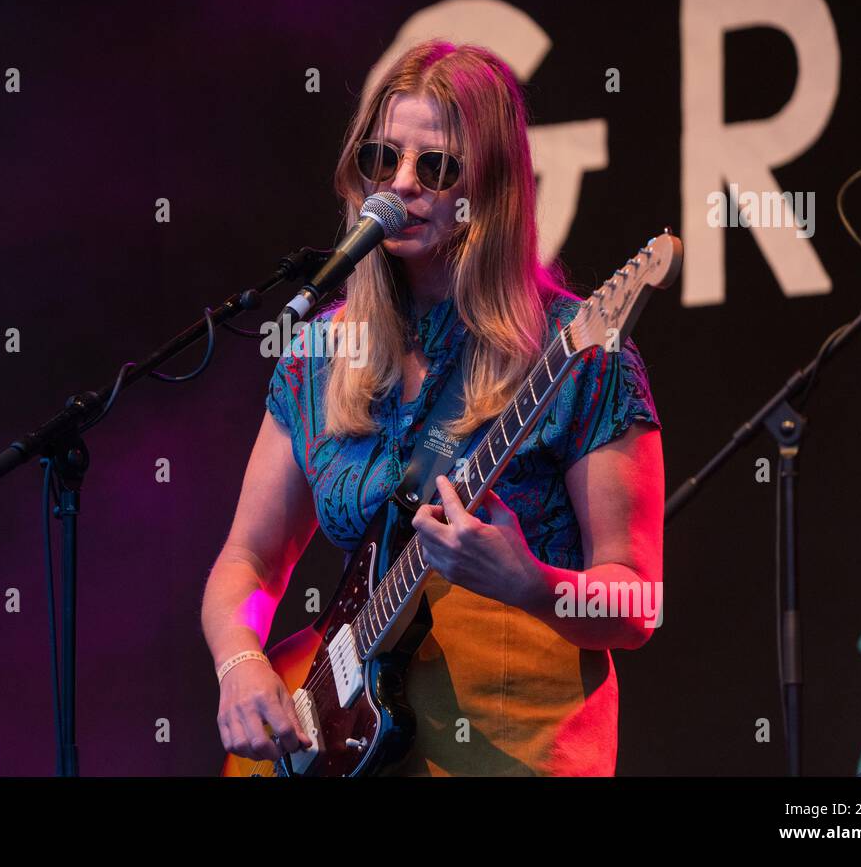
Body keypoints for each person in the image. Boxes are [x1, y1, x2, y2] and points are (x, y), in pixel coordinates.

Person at [201, 39, 664, 776]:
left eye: (435, 167)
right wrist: (239, 660)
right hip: (355, 747)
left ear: (491, 187)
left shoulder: (577, 353)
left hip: (516, 749)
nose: (401, 184)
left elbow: (638, 603)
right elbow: (248, 560)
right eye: (382, 160)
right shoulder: (318, 356)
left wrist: (534, 585)